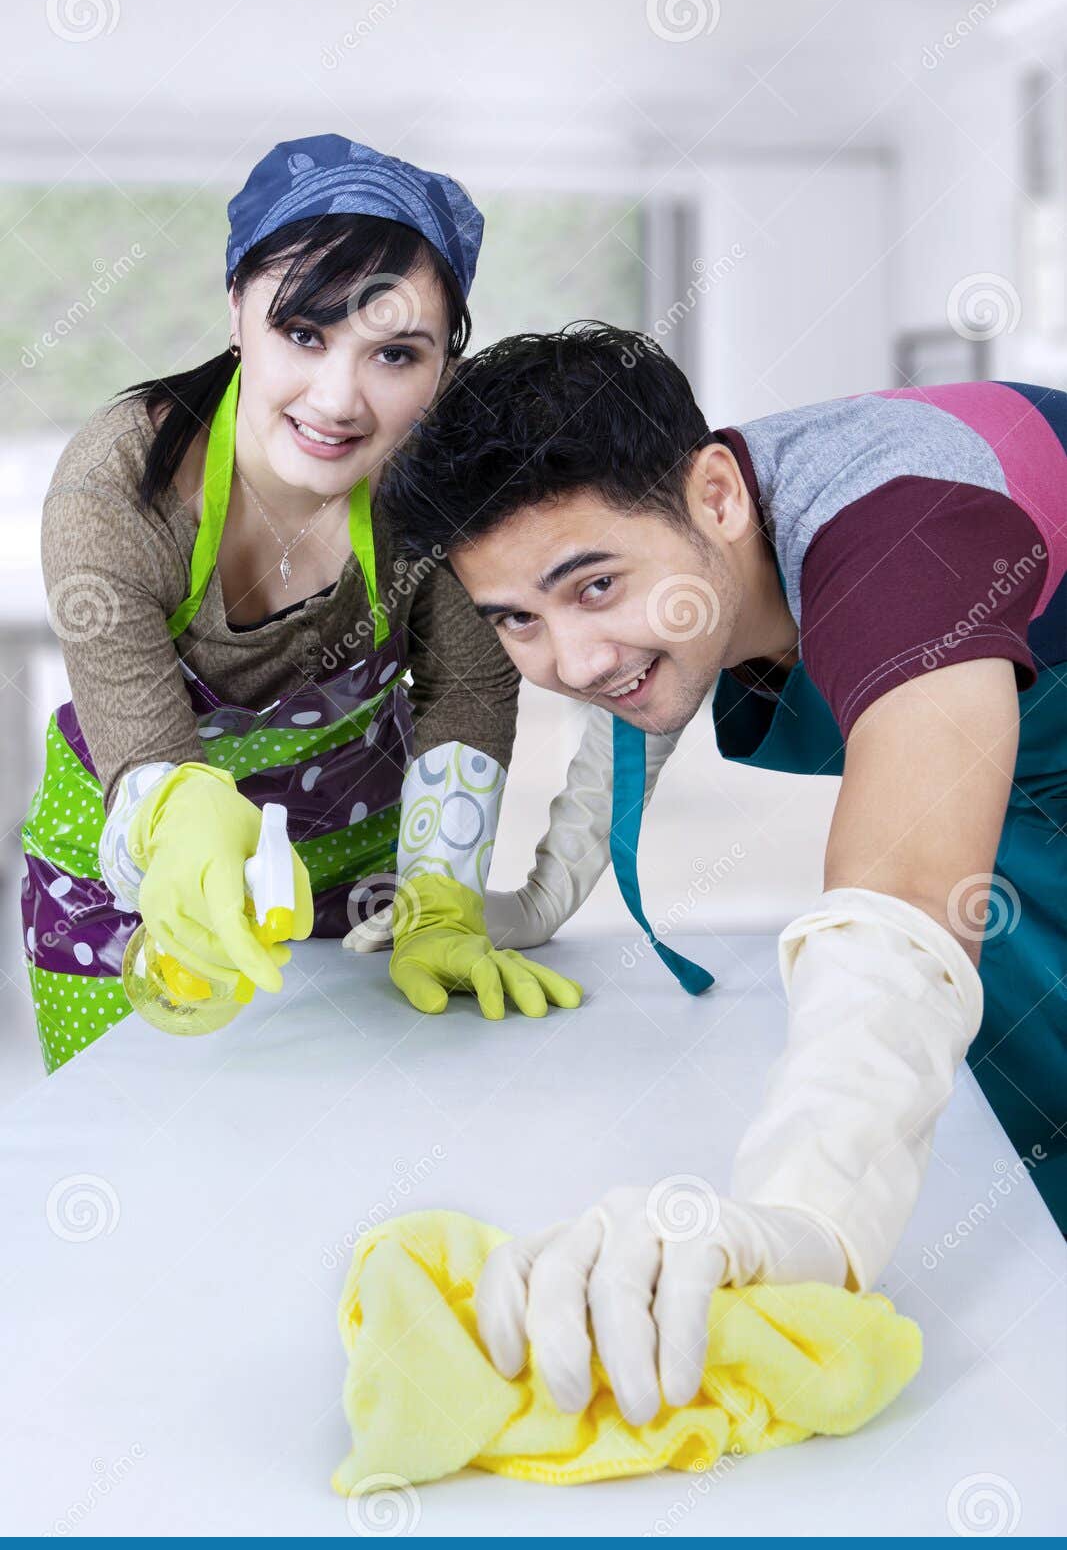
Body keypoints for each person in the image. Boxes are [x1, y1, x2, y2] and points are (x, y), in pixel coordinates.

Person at [382, 322, 1066, 1425]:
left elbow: (898, 897)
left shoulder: (903, 541)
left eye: (592, 587)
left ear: (713, 496)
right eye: (517, 619)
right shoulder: (695, 521)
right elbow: (636, 694)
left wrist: (798, 1216)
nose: (570, 660)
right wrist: (526, 901)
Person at [21, 134, 579, 1074]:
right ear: (236, 308)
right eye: (304, 333)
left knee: (331, 1165)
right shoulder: (113, 487)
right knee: (137, 1162)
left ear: (445, 364)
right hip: (125, 889)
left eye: (395, 353)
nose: (337, 399)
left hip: (357, 886)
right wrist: (177, 819)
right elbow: (142, 739)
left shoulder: (439, 496)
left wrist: (439, 899)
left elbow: (467, 693)